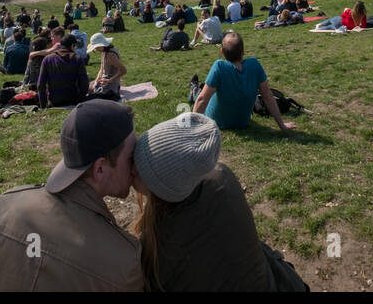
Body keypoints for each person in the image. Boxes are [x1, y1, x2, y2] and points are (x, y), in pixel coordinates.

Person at [0, 99, 142, 291]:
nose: (136, 165)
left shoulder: (4, 207)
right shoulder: (124, 261)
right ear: (99, 169)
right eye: (131, 157)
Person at [131, 113, 305, 291]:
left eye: (141, 167)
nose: (132, 167)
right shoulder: (222, 177)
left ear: (162, 185)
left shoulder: (163, 241)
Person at [192, 32, 295, 132]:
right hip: (242, 122)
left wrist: (192, 129)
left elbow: (202, 100)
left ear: (222, 52)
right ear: (243, 52)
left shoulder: (219, 67)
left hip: (217, 122)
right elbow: (268, 96)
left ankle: (194, 89)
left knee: (200, 94)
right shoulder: (254, 65)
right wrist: (281, 124)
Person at [36, 35, 89, 108]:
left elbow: (40, 84)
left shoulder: (47, 59)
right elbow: (84, 84)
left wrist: (43, 105)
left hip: (54, 102)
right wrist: (80, 101)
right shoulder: (78, 59)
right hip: (73, 101)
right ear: (72, 46)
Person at [87, 33, 126, 101]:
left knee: (88, 99)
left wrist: (110, 80)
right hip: (103, 82)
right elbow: (102, 68)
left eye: (97, 47)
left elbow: (123, 70)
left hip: (109, 87)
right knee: (84, 89)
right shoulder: (105, 51)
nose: (96, 49)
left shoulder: (110, 55)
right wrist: (96, 81)